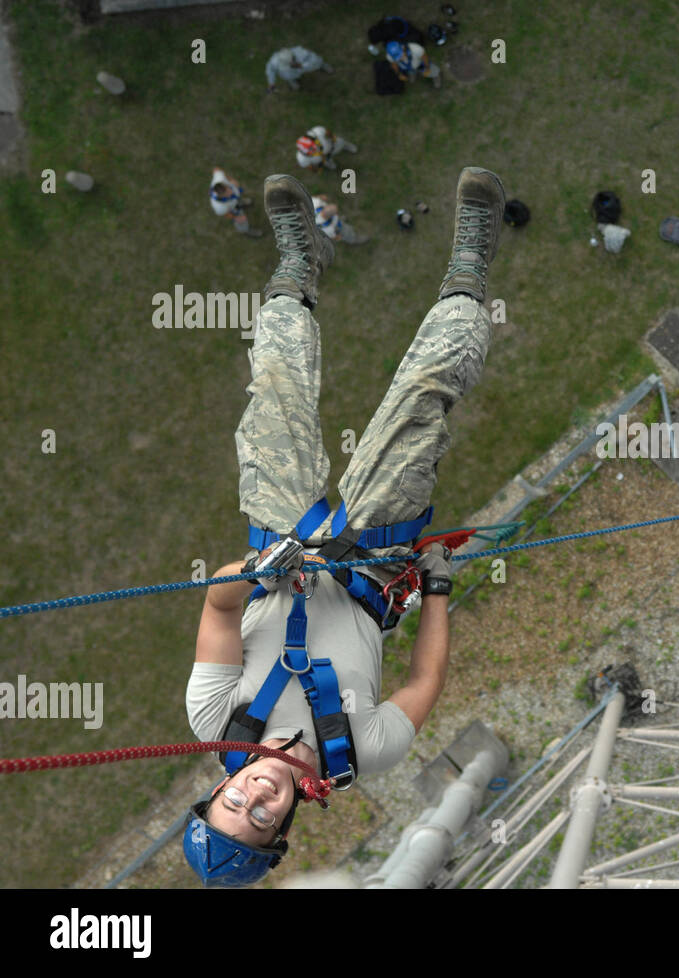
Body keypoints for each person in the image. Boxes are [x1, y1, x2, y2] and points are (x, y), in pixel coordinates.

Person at [182, 167, 507, 887]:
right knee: (419, 404)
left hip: (280, 541)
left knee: (272, 390)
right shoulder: (361, 752)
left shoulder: (215, 717)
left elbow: (218, 603)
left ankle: (297, 263)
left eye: (231, 801)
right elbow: (425, 679)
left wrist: (257, 573)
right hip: (371, 563)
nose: (253, 796)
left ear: (218, 790)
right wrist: (439, 592)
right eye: (258, 817)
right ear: (283, 827)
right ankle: (469, 265)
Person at [209, 167, 262, 237]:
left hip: (235, 199)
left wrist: (230, 179)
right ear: (221, 196)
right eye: (227, 194)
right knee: (242, 221)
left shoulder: (220, 179)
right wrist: (236, 217)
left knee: (239, 199)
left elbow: (216, 169)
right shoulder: (219, 207)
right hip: (233, 208)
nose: (230, 192)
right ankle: (245, 230)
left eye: (228, 189)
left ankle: (242, 203)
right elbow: (225, 214)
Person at [265, 46, 333, 92]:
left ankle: (323, 66)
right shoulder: (274, 61)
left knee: (317, 63)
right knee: (287, 76)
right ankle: (292, 81)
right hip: (290, 73)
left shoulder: (302, 53)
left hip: (304, 66)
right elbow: (270, 70)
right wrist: (271, 83)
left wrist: (302, 65)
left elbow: (314, 60)